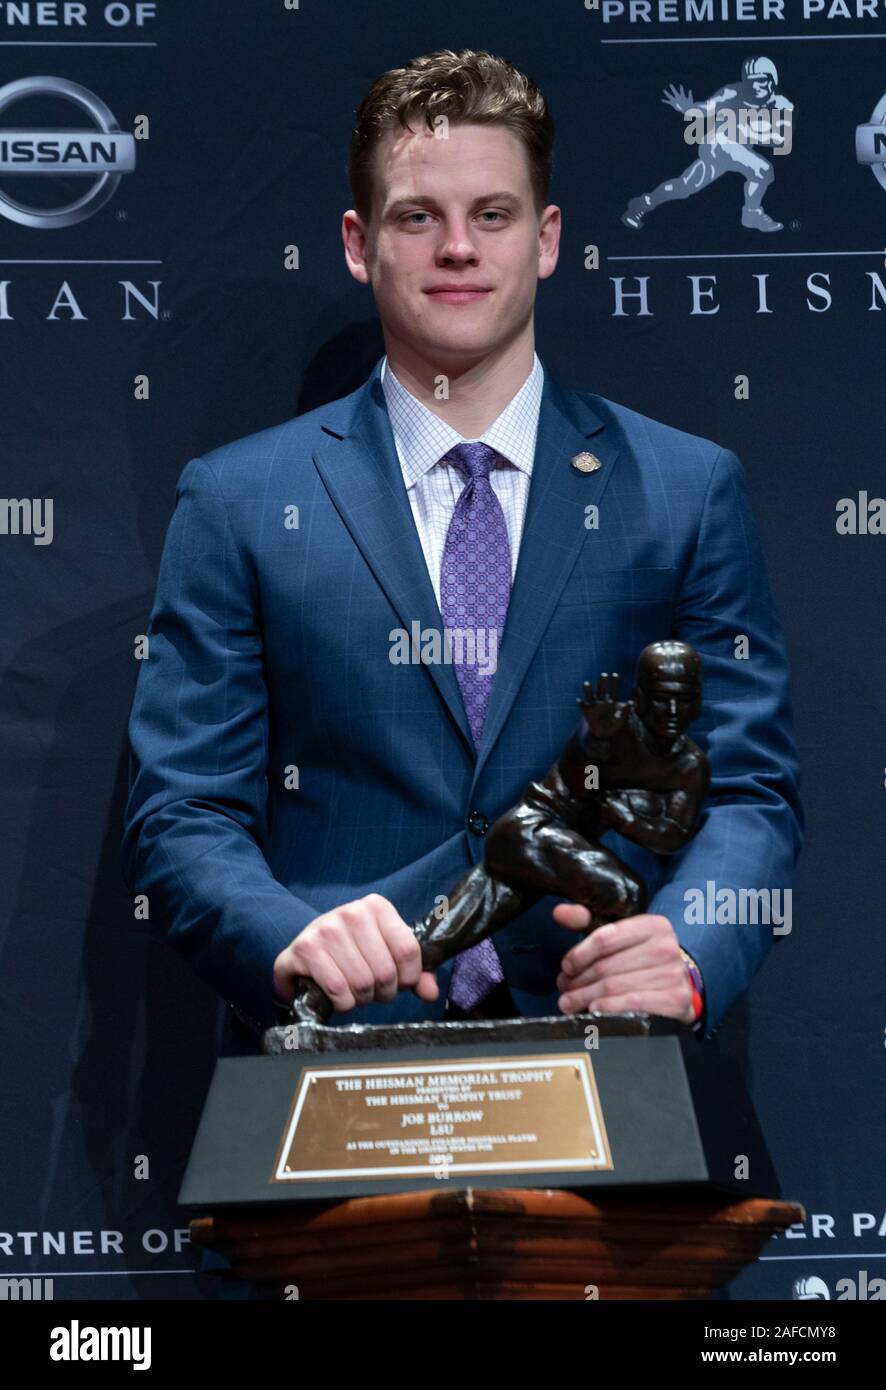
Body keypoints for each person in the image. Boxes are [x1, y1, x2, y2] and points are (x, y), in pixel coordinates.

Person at [122, 48, 803, 1068]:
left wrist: (689, 952)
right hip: (340, 1073)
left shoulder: (682, 489)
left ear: (547, 239)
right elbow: (185, 814)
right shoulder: (240, 502)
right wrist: (285, 937)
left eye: (492, 214)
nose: (456, 248)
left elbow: (746, 788)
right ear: (358, 244)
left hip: (609, 1066)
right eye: (415, 217)